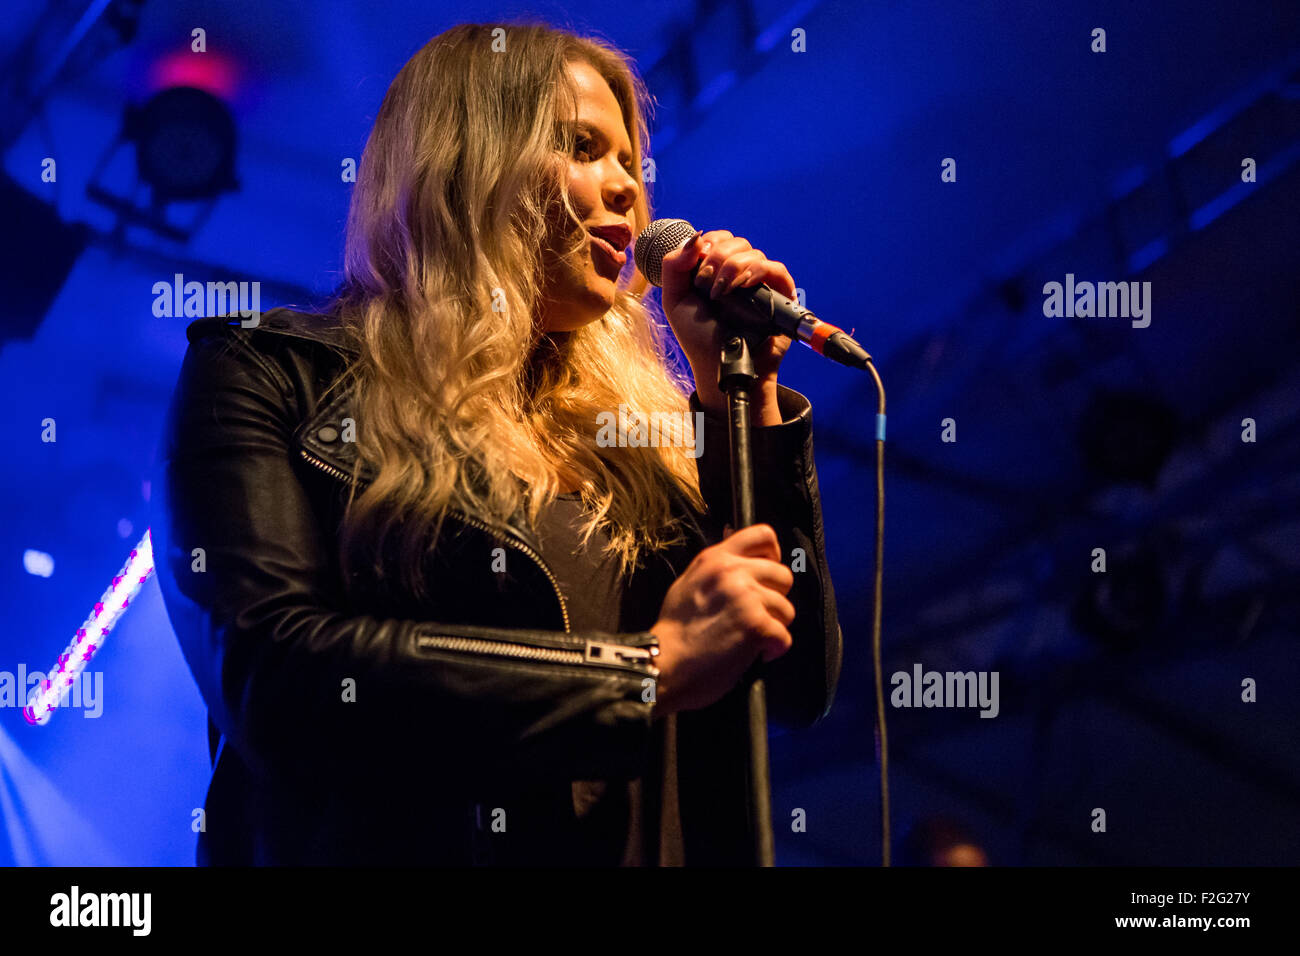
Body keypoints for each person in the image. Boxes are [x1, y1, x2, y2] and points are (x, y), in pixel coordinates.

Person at [153, 21, 842, 866]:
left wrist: (740, 393)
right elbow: (275, 678)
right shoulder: (272, 377)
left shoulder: (644, 444)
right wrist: (638, 675)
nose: (628, 188)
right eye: (583, 147)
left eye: (630, 161)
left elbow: (795, 683)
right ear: (469, 161)